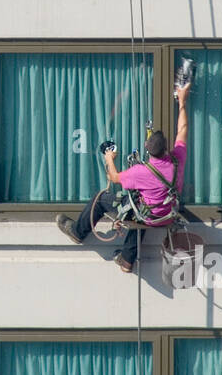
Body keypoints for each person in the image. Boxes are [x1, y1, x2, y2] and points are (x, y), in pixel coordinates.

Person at [56, 80, 191, 273]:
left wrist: (109, 158)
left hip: (150, 217)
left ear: (147, 149)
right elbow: (183, 130)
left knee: (103, 199)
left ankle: (78, 232)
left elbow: (114, 177)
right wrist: (182, 102)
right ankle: (127, 260)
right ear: (166, 148)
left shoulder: (141, 172)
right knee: (142, 205)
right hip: (167, 215)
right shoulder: (178, 159)